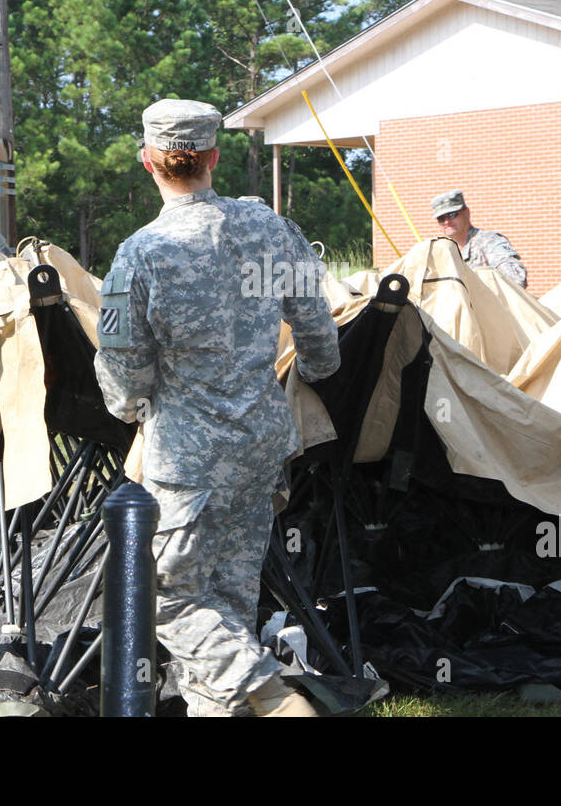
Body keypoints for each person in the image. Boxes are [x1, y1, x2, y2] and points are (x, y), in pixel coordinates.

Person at [94, 99, 341, 717]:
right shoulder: (272, 231)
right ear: (214, 157)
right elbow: (318, 334)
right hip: (259, 445)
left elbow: (124, 370)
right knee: (227, 603)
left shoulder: (141, 253)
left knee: (164, 597)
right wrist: (312, 372)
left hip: (187, 457)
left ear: (149, 160)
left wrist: (132, 407)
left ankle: (270, 696)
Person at [430, 190, 528, 287]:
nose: (447, 222)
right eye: (441, 218)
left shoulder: (489, 241)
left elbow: (516, 279)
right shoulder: (443, 253)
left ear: (467, 212)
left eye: (452, 215)